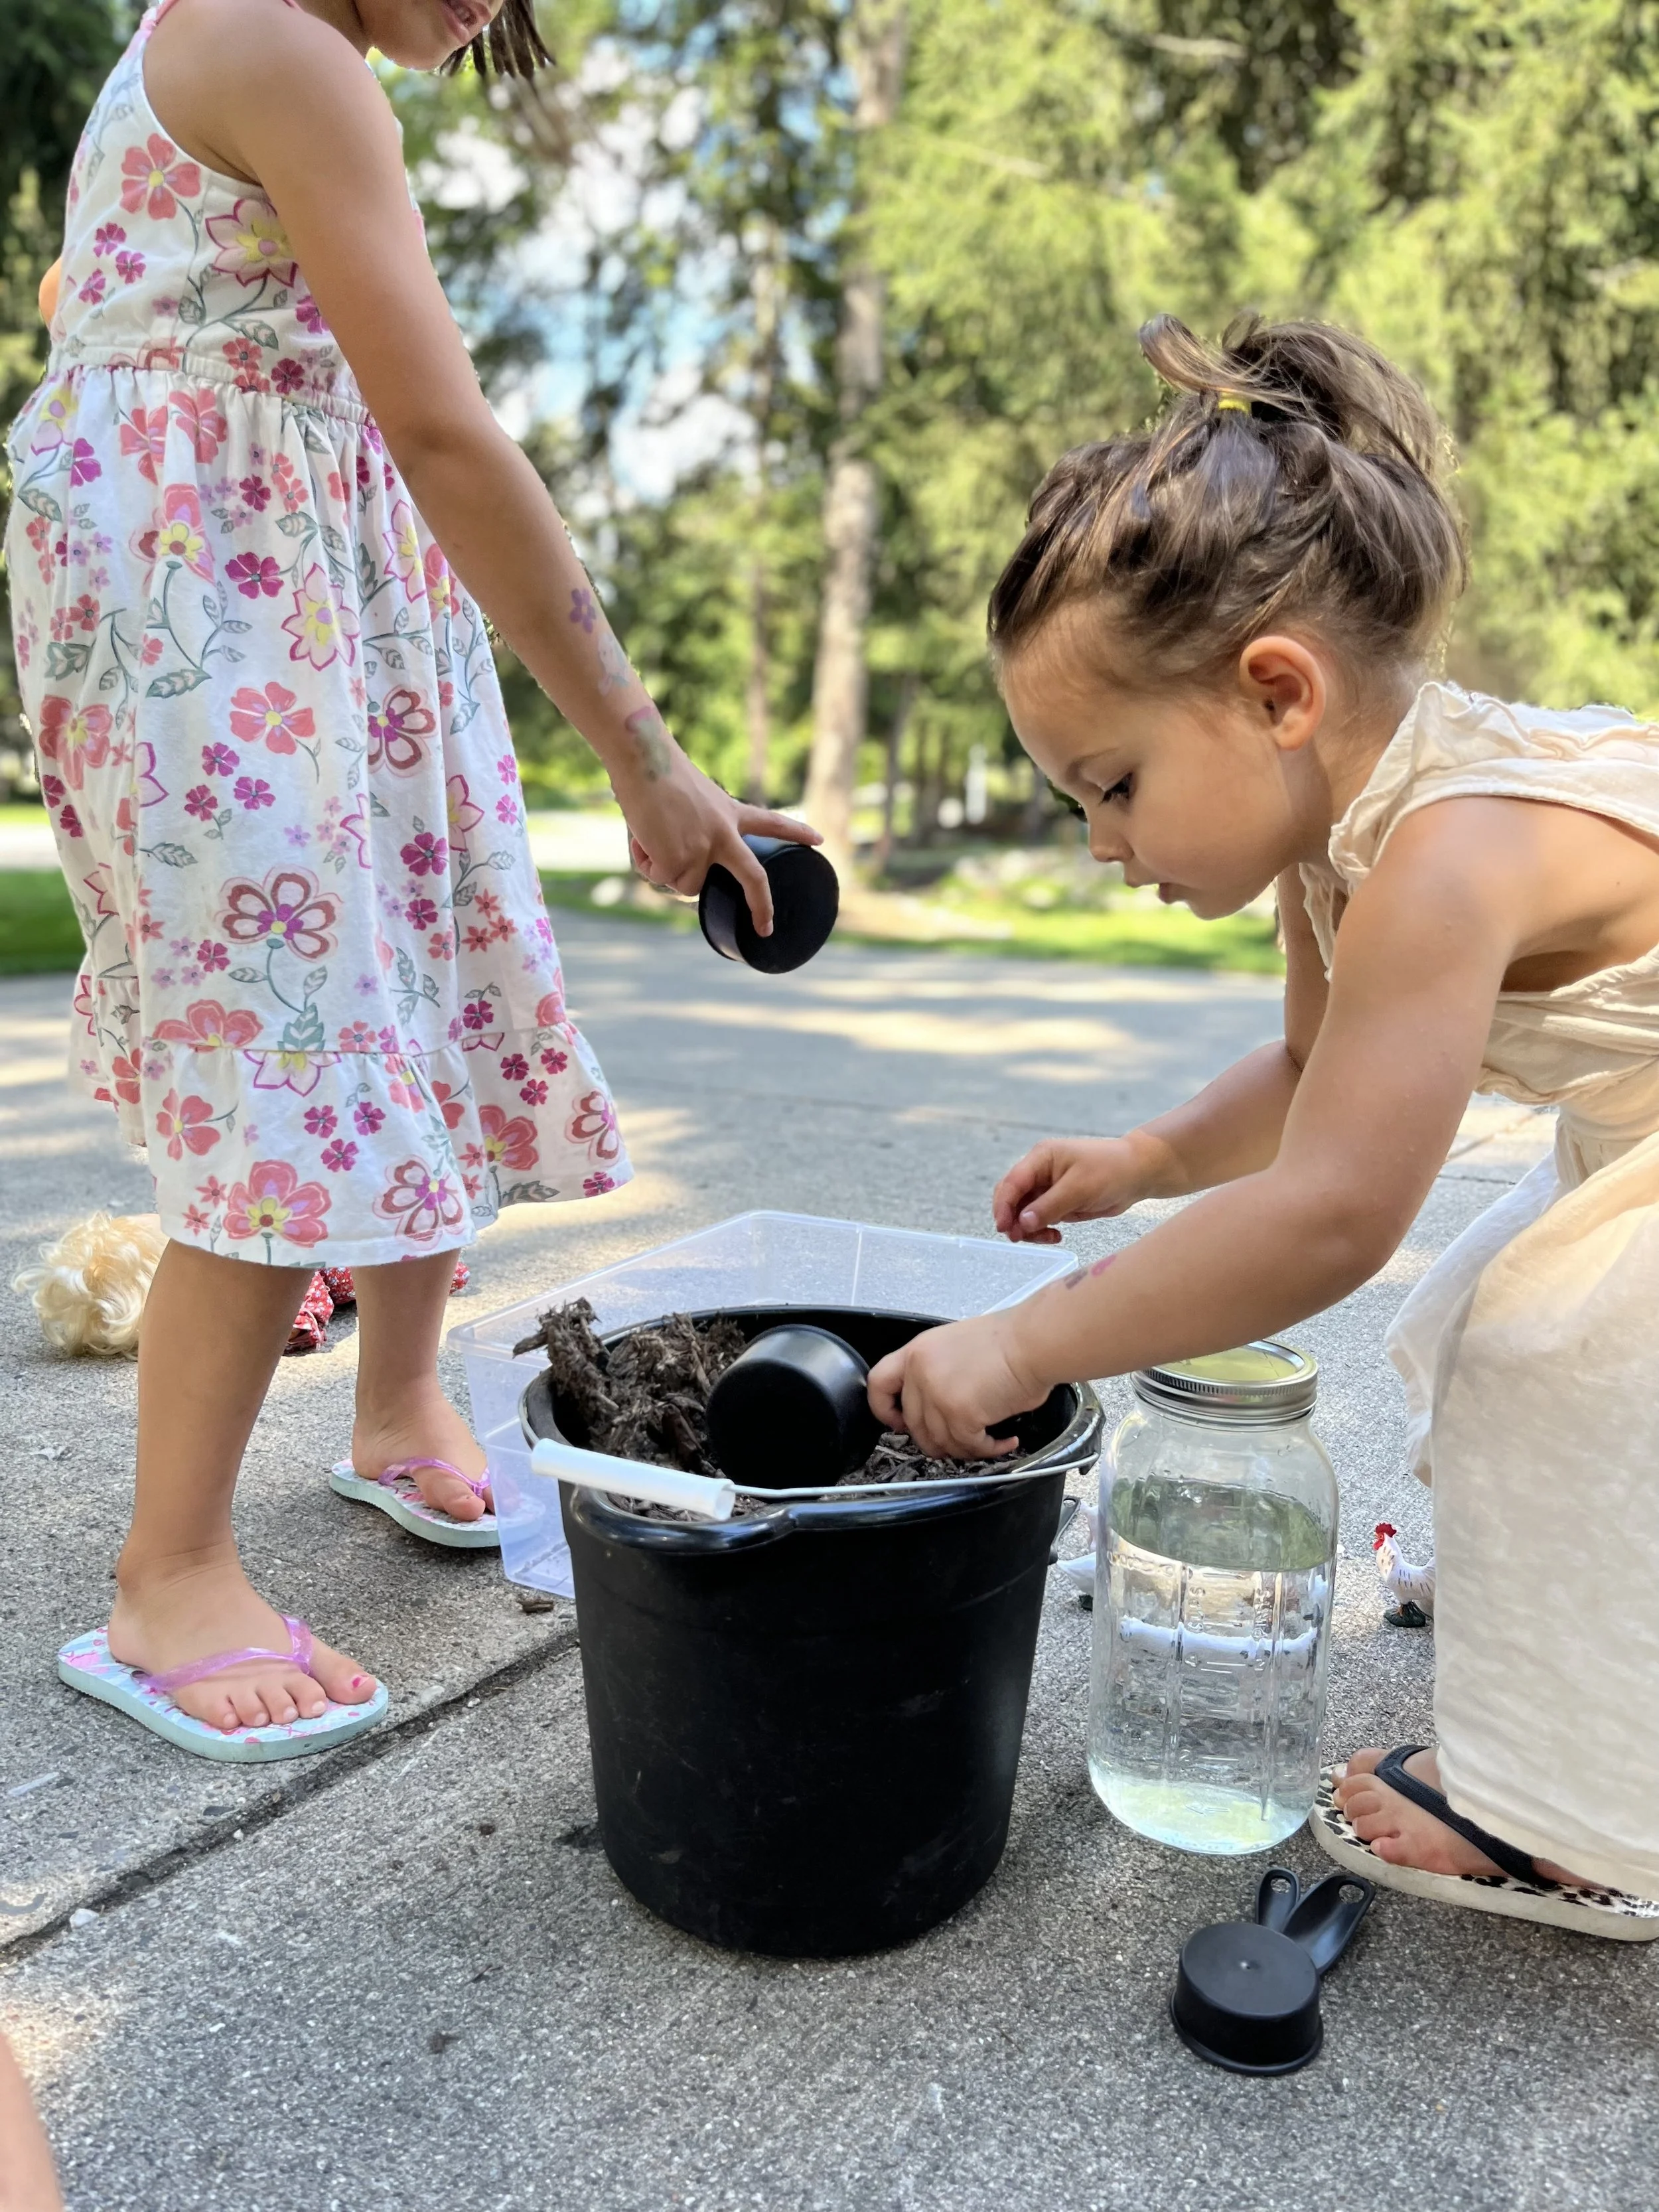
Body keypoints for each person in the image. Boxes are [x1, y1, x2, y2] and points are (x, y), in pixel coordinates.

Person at [7, 0, 817, 1756]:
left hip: (320, 585)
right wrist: (644, 751)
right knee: (282, 1034)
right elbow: (445, 433)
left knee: (434, 982)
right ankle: (169, 1574)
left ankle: (395, 1405)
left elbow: (110, 307)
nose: (493, 9)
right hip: (216, 606)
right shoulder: (272, 44)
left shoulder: (276, 66)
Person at [868, 312, 1659, 1933]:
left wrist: (1027, 1346)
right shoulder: (1337, 845)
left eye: (1111, 783)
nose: (1100, 843)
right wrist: (1152, 1160)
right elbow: (1311, 1081)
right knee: (1541, 1364)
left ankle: (1579, 1818)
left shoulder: (1444, 853)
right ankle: (1583, 1643)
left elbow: (1331, 1215)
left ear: (1274, 691)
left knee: (1550, 1377)